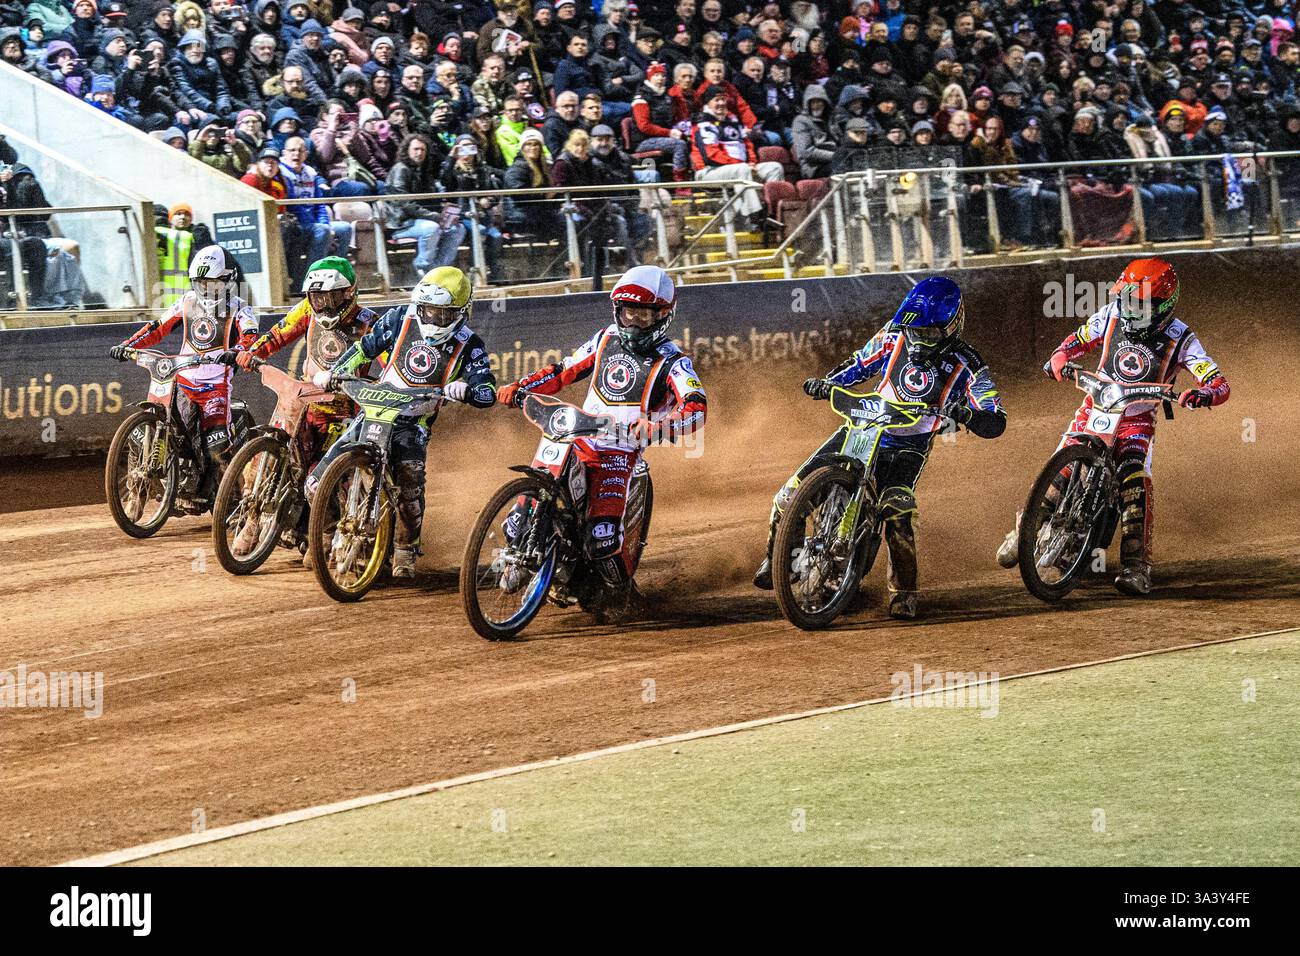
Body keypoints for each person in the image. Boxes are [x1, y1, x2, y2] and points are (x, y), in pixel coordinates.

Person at [754, 276, 1007, 620]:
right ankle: (778, 556)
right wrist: (827, 382)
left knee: (898, 509)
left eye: (929, 333)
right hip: (863, 424)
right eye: (915, 331)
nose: (919, 339)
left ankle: (903, 592)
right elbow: (861, 363)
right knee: (788, 494)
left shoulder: (969, 365)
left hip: (909, 444)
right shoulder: (895, 332)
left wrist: (969, 413)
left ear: (951, 327)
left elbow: (995, 416)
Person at [995, 259, 1230, 595]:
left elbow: (1217, 380)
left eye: (1141, 307)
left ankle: (1137, 566)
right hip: (1096, 406)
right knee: (1060, 465)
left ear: (1164, 307)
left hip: (1136, 422)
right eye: (1127, 303)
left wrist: (1204, 393)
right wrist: (1059, 357)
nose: (1131, 312)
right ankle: (1023, 532)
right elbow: (1077, 340)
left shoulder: (1182, 338)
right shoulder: (1108, 315)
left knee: (1134, 481)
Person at [496, 265, 708, 614]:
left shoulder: (674, 362)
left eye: (643, 315)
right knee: (522, 509)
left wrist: (658, 427)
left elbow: (696, 408)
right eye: (628, 313)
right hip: (577, 436)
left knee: (603, 537)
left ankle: (618, 589)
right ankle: (527, 547)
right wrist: (520, 387)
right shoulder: (604, 339)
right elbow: (562, 370)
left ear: (663, 316)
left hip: (620, 451)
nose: (634, 323)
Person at [312, 267, 497, 578]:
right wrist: (334, 372)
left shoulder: (471, 344)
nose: (431, 319)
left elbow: (487, 389)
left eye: (441, 313)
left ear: (460, 313)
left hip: (413, 421)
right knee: (315, 481)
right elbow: (364, 348)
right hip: (373, 410)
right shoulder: (400, 317)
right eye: (426, 311)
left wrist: (468, 390)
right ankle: (327, 535)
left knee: (409, 483)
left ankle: (405, 548)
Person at [234, 256, 378, 561]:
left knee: (331, 474)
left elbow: (390, 364)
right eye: (316, 297)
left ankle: (328, 534)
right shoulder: (306, 312)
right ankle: (252, 517)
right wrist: (252, 352)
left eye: (331, 297)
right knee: (264, 458)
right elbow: (278, 334)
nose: (323, 305)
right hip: (305, 401)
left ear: (349, 293)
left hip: (346, 411)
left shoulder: (368, 323)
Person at [109, 245, 258, 505]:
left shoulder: (240, 309)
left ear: (227, 281)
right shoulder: (186, 301)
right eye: (200, 283)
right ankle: (139, 490)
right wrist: (129, 345)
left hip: (214, 388)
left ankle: (235, 497)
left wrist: (236, 352)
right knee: (143, 432)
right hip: (179, 380)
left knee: (217, 448)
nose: (205, 289)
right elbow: (157, 328)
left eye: (212, 283)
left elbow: (251, 338)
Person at [690, 84, 785, 226]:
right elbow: (711, 155)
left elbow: (747, 145)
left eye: (723, 99)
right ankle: (753, 217)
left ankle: (773, 213)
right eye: (717, 100)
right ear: (708, 103)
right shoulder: (703, 125)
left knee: (774, 167)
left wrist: (752, 162)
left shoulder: (734, 122)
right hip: (708, 171)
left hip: (740, 169)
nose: (721, 103)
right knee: (742, 169)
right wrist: (743, 165)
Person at [385, 133, 465, 273]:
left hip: (423, 219)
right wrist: (435, 216)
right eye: (415, 149)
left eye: (422, 150)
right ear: (407, 150)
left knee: (457, 229)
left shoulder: (424, 171)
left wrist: (446, 215)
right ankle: (422, 265)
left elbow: (433, 199)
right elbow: (406, 203)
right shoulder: (400, 169)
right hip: (403, 224)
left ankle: (439, 269)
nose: (419, 153)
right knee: (431, 228)